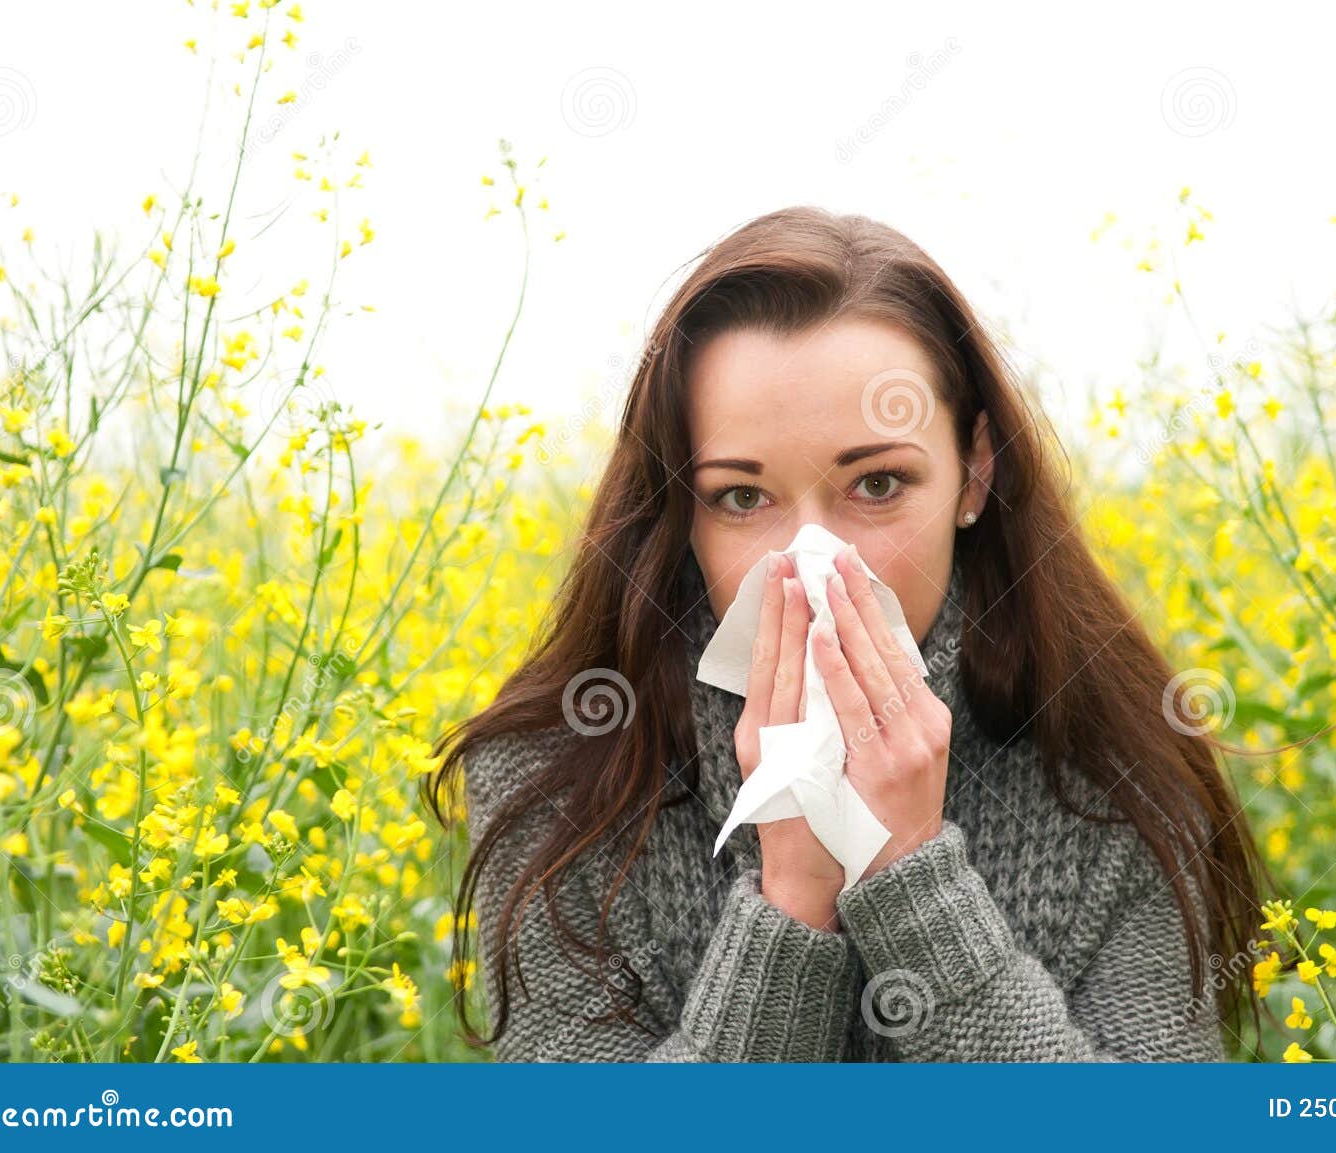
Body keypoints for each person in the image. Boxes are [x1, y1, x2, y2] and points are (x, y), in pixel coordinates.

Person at [424, 206, 1264, 1061]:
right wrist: (791, 901)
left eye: (878, 484)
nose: (812, 558)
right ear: (682, 511)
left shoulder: (1120, 772)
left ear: (975, 471)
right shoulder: (560, 783)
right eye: (742, 498)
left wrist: (910, 872)